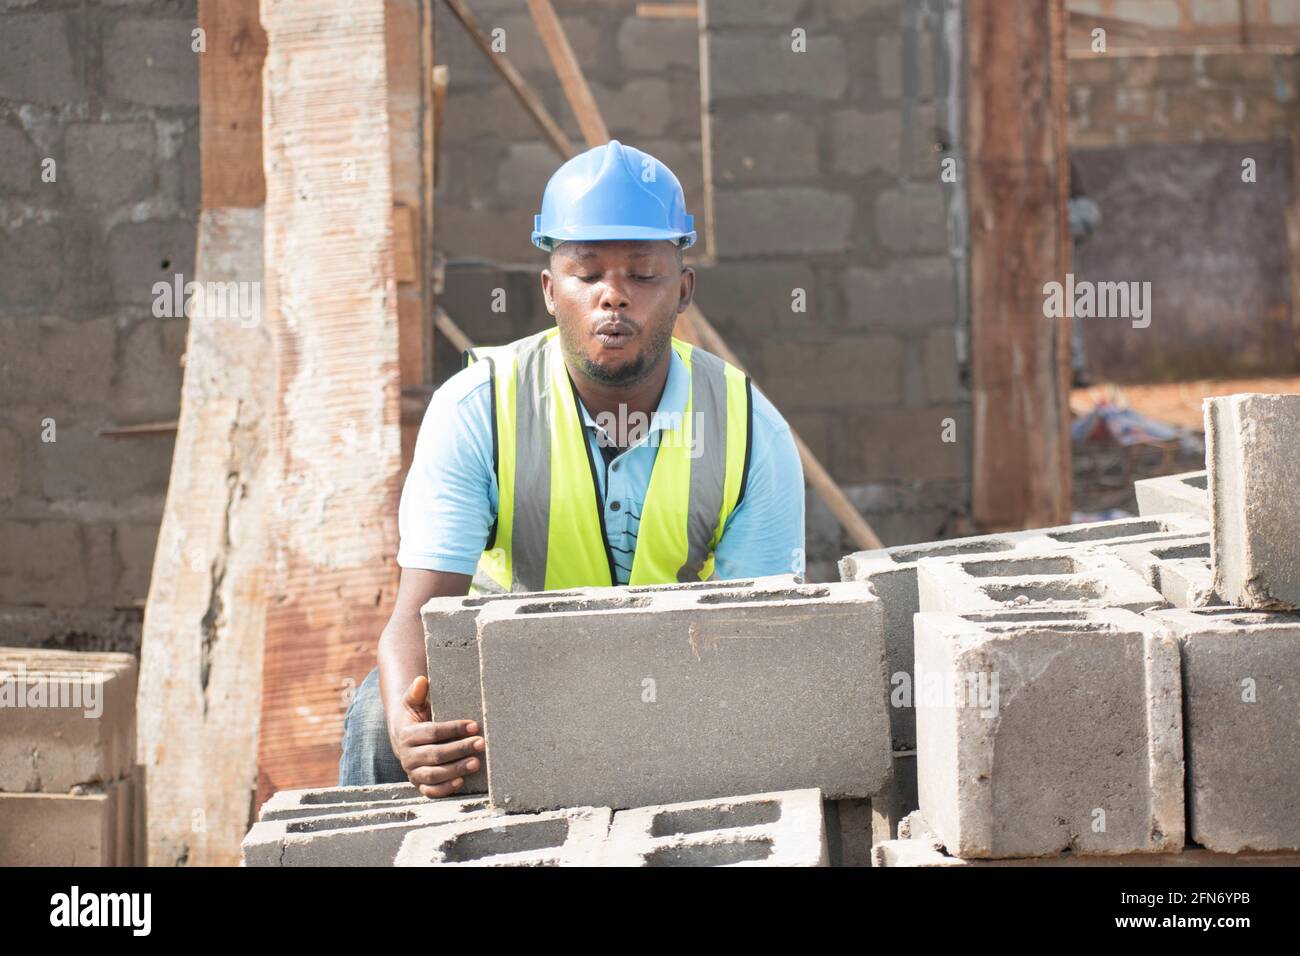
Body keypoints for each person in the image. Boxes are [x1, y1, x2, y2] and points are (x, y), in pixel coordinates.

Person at [338, 140, 805, 794]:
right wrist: (403, 726)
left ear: (684, 290)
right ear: (552, 290)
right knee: (371, 719)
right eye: (588, 275)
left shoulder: (748, 429)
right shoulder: (479, 409)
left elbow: (764, 641)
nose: (614, 298)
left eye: (643, 274)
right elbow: (417, 618)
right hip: (509, 680)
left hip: (670, 680)